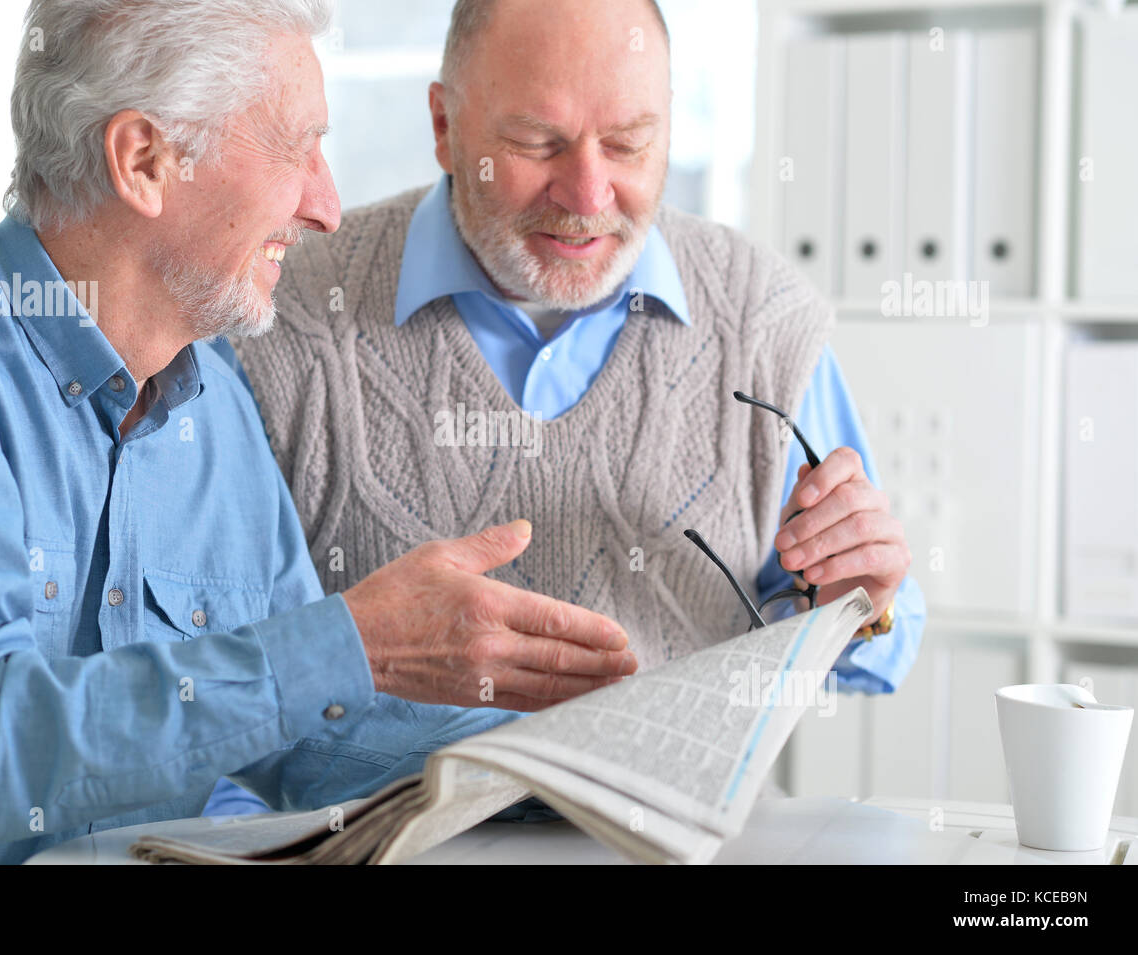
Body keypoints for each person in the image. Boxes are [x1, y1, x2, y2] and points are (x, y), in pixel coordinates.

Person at [0, 0, 638, 864]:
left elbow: (305, 737)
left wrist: (564, 754)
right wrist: (355, 642)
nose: (328, 207)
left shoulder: (212, 396)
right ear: (144, 161)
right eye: (299, 149)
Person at [227, 0, 926, 817]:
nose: (590, 194)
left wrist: (864, 598)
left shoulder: (761, 319)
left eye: (630, 143)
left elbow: (881, 643)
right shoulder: (282, 310)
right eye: (537, 143)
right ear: (445, 125)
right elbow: (205, 684)